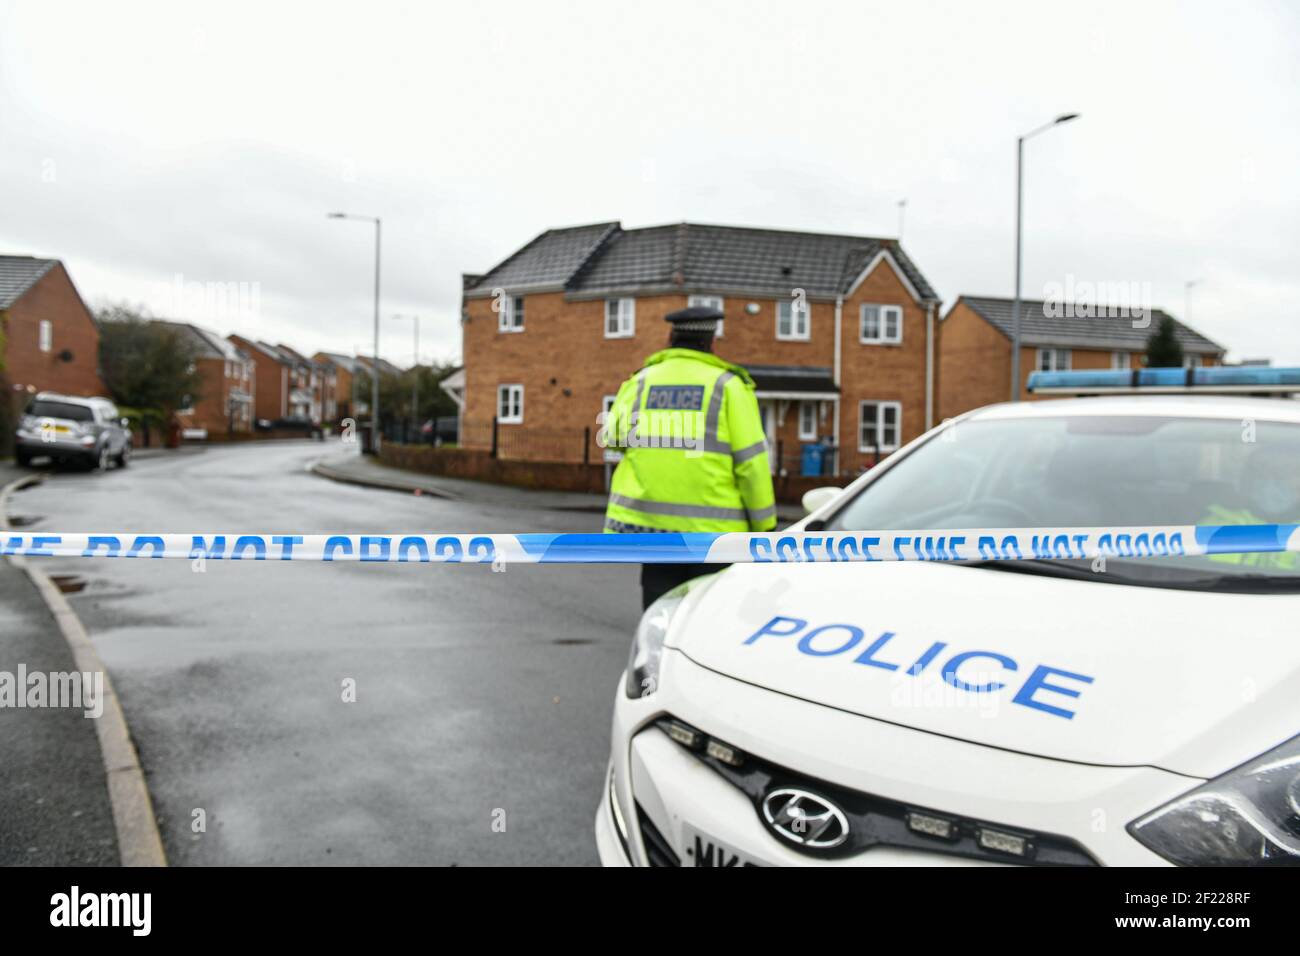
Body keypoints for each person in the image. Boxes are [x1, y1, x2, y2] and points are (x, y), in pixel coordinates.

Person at [602, 305, 777, 609]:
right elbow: (751, 463)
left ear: (670, 337)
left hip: (652, 532)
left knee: (660, 619)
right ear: (711, 342)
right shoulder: (728, 386)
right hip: (715, 539)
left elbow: (613, 439)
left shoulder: (642, 381)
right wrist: (765, 528)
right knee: (707, 622)